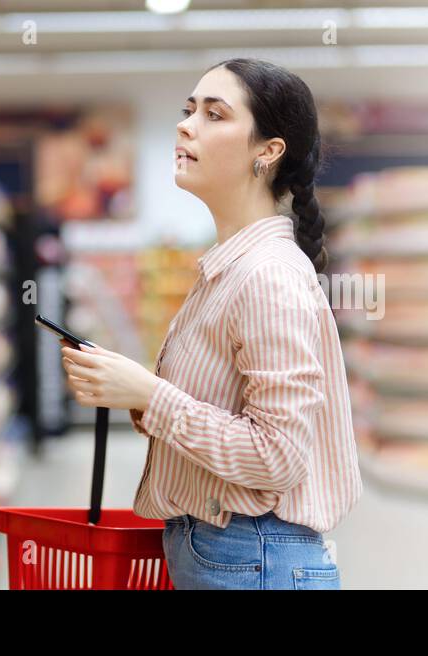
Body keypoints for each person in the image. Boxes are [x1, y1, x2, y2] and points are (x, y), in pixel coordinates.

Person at [60, 58, 362, 589]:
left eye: (214, 114)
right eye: (188, 110)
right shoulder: (229, 268)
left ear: (267, 153)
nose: (186, 124)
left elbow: (277, 457)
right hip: (233, 549)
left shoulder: (266, 276)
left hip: (252, 553)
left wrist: (152, 396)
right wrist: (134, 392)